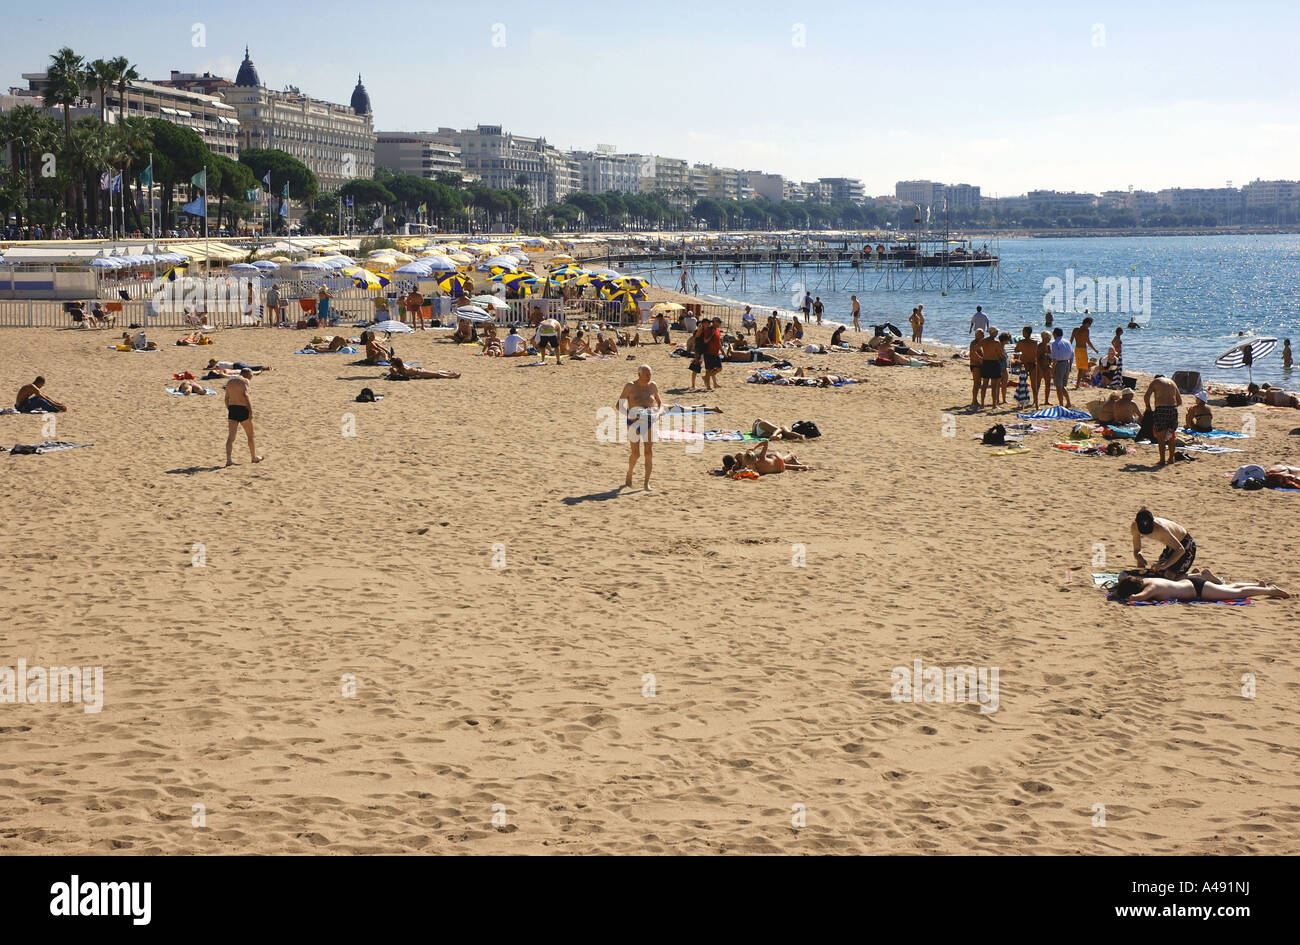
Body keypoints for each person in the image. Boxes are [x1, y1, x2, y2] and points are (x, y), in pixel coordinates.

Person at [617, 364, 662, 490]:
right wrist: (628, 415)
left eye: (650, 374)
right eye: (646, 374)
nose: (649, 377)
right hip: (633, 422)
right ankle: (630, 473)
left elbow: (659, 403)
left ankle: (646, 482)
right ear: (639, 374)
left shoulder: (653, 386)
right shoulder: (630, 386)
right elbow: (618, 405)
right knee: (636, 454)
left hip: (649, 421)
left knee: (648, 452)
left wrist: (657, 413)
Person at [1112, 575, 1288, 603]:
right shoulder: (1148, 580)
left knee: (1236, 594)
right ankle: (1257, 586)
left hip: (1198, 590)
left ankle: (1271, 591)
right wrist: (1115, 592)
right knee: (1228, 587)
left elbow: (1137, 598)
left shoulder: (1151, 588)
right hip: (1192, 582)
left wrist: (1122, 597)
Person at [1131, 509, 1196, 579]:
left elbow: (1180, 550)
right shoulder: (1134, 527)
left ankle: (1200, 576)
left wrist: (1164, 565)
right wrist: (1139, 558)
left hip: (1185, 544)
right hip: (1171, 546)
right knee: (1157, 572)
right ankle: (1194, 574)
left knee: (1169, 576)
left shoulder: (1161, 528)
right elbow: (1137, 550)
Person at [224, 369, 262, 467]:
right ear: (245, 374)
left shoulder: (230, 382)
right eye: (250, 376)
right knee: (250, 435)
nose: (250, 379)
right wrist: (250, 411)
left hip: (232, 409)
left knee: (231, 437)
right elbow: (246, 395)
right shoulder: (245, 381)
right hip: (243, 409)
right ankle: (254, 457)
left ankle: (229, 460)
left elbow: (226, 398)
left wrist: (229, 408)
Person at [1144, 374, 1183, 464]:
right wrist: (1171, 407)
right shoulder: (1173, 382)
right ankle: (1171, 459)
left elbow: (1146, 396)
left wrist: (1148, 407)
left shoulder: (1155, 381)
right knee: (1171, 436)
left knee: (1161, 436)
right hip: (1173, 409)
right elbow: (1179, 401)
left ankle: (1162, 460)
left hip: (1161, 409)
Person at [976, 331, 1006, 408]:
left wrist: (980, 357)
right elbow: (1000, 354)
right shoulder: (996, 343)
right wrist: (1003, 357)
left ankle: (982, 404)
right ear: (993, 333)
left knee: (984, 385)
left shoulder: (984, 341)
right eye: (996, 332)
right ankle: (994, 405)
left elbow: (974, 349)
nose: (997, 333)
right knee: (994, 385)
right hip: (994, 363)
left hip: (986, 362)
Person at [1014, 327, 1041, 409]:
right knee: (1034, 385)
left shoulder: (1021, 342)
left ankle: (1021, 404)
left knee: (1022, 384)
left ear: (1026, 333)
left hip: (1024, 364)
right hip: (1033, 364)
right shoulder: (1034, 342)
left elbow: (1016, 350)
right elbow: (1037, 353)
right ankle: (1036, 404)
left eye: (1023, 332)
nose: (1022, 333)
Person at [1069, 316, 1098, 389]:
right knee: (1082, 369)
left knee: (1080, 368)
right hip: (1082, 350)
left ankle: (1078, 384)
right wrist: (1095, 350)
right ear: (1087, 323)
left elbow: (1071, 340)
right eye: (1089, 324)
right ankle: (1077, 385)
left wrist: (1068, 349)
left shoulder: (1075, 329)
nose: (1090, 326)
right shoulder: (1086, 330)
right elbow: (1088, 342)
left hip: (1077, 349)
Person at [1048, 327, 1074, 407]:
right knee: (1063, 386)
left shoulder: (1055, 343)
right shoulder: (1067, 342)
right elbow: (1072, 355)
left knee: (1058, 387)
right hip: (1066, 363)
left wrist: (1053, 369)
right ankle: (1068, 402)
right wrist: (1069, 366)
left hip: (1059, 364)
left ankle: (1061, 404)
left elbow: (1055, 358)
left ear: (1055, 334)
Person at [388, 355, 460, 379]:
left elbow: (406, 376)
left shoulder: (403, 369)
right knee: (436, 372)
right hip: (419, 371)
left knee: (437, 374)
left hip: (421, 373)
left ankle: (452, 376)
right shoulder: (402, 366)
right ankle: (449, 373)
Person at [702, 317, 724, 390]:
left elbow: (719, 342)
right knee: (708, 370)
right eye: (719, 322)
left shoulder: (717, 330)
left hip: (715, 353)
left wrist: (723, 351)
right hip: (708, 353)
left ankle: (706, 378)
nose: (720, 324)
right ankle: (708, 386)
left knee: (719, 368)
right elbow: (705, 341)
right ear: (714, 322)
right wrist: (712, 334)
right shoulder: (709, 330)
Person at [968, 329, 985, 408]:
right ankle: (974, 400)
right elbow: (972, 353)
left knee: (979, 383)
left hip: (981, 364)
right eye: (981, 334)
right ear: (976, 335)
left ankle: (975, 400)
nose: (983, 336)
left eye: (983, 334)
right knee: (976, 382)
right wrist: (979, 359)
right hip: (975, 364)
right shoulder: (973, 343)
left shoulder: (982, 343)